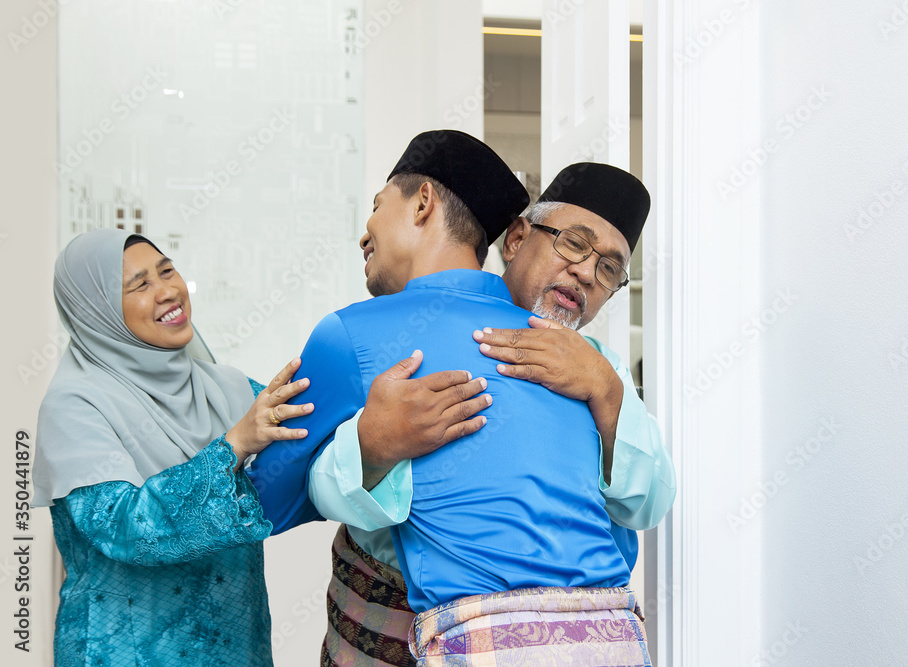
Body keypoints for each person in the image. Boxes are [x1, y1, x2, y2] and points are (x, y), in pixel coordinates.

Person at [249, 132, 653, 664]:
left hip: (472, 637)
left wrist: (361, 448)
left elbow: (261, 505)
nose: (365, 231)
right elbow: (618, 534)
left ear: (422, 202)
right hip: (611, 634)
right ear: (515, 239)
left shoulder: (353, 334)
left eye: (376, 205)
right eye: (574, 246)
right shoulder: (571, 355)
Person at [33, 229, 313, 667]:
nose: (168, 291)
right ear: (98, 312)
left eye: (168, 271)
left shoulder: (226, 387)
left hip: (235, 646)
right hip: (125, 653)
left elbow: (307, 441)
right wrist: (233, 446)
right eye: (140, 284)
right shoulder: (74, 405)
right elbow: (125, 528)